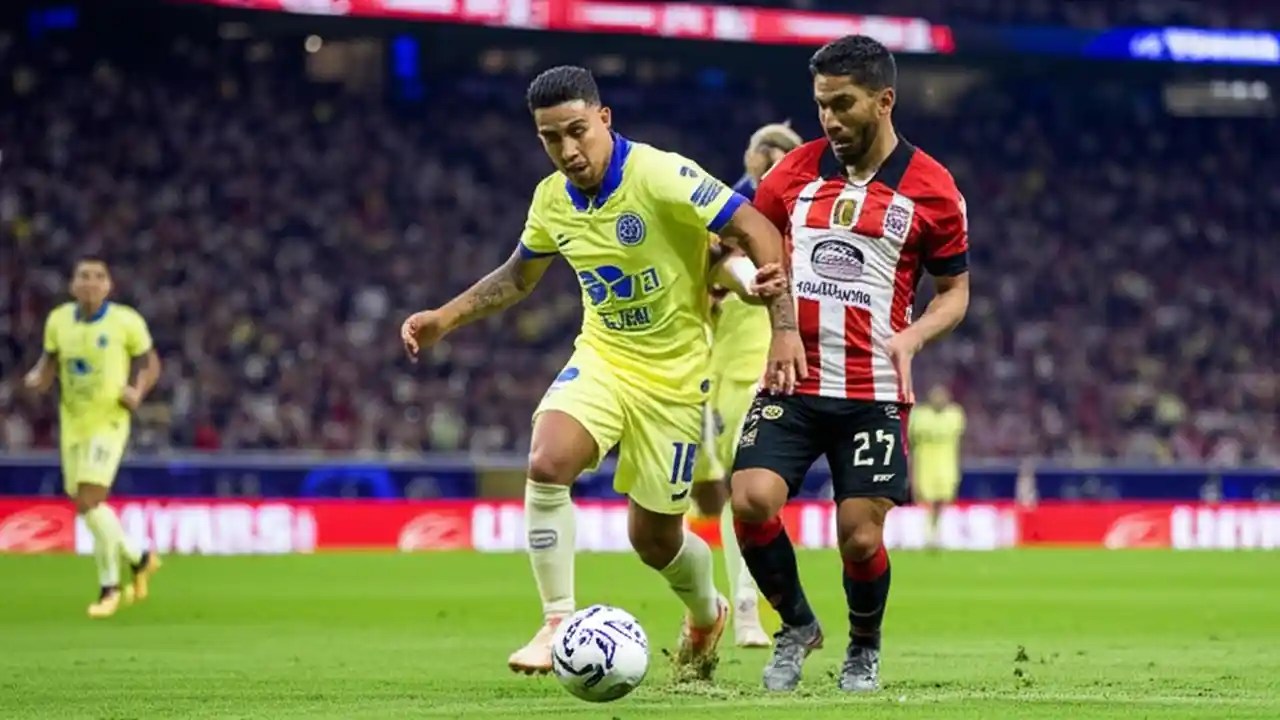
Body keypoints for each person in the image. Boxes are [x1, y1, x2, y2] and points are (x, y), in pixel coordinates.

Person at [399, 66, 805, 679]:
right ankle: (558, 619)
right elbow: (516, 276)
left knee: (655, 541)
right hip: (604, 358)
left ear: (605, 119)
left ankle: (707, 612)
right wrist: (443, 319)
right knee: (546, 462)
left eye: (577, 131)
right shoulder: (551, 200)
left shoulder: (661, 174)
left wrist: (781, 324)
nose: (567, 150)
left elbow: (754, 226)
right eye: (550, 138)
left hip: (673, 381)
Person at [728, 35, 971, 692]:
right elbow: (746, 235)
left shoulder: (933, 189)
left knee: (860, 539)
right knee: (750, 500)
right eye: (820, 105)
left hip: (872, 387)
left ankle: (864, 646)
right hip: (795, 379)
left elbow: (955, 293)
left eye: (843, 104)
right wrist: (754, 281)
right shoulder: (793, 174)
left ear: (884, 100)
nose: (829, 119)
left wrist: (914, 337)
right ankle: (797, 625)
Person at [691, 122, 804, 649]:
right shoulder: (723, 232)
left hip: (765, 382)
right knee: (702, 497)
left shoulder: (794, 232)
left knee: (750, 498)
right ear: (751, 156)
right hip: (714, 382)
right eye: (771, 151)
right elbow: (718, 274)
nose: (780, 158)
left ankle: (745, 608)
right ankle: (701, 604)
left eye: (789, 153)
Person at [24, 257, 163, 618]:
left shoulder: (125, 321)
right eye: (84, 276)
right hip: (73, 422)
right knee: (87, 506)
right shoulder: (58, 321)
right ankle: (138, 558)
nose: (91, 283)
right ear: (73, 285)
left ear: (109, 285)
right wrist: (39, 376)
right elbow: (50, 360)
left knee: (90, 498)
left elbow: (150, 363)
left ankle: (109, 589)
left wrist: (137, 390)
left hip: (109, 419)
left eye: (99, 276)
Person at [908, 384, 966, 548]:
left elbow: (959, 440)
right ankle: (928, 534)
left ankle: (937, 531)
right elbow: (911, 442)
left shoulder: (955, 415)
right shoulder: (919, 415)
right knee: (927, 501)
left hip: (947, 465)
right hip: (925, 465)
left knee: (943, 500)